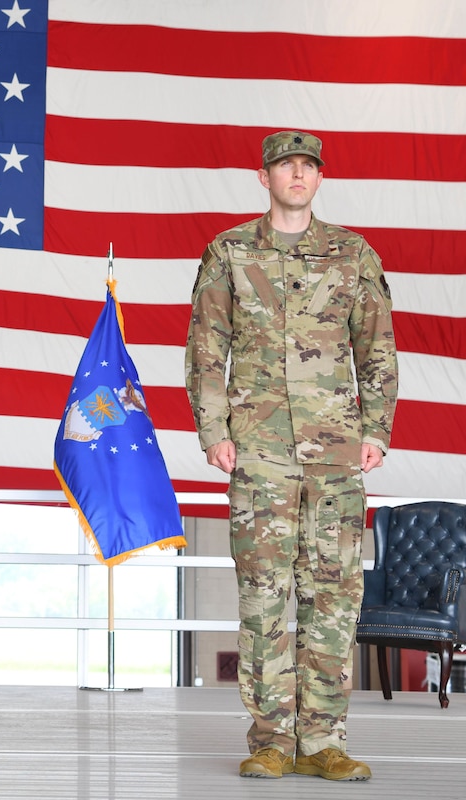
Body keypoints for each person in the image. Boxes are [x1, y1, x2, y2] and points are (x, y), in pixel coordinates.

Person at [185, 131, 398, 782]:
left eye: (308, 167)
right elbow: (206, 347)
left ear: (319, 178)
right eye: (286, 167)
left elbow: (378, 348)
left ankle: (324, 742)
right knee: (264, 597)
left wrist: (377, 429)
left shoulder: (351, 253)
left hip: (335, 453)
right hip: (261, 454)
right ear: (265, 178)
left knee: (332, 596)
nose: (297, 176)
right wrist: (215, 430)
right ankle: (272, 739)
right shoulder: (230, 252)